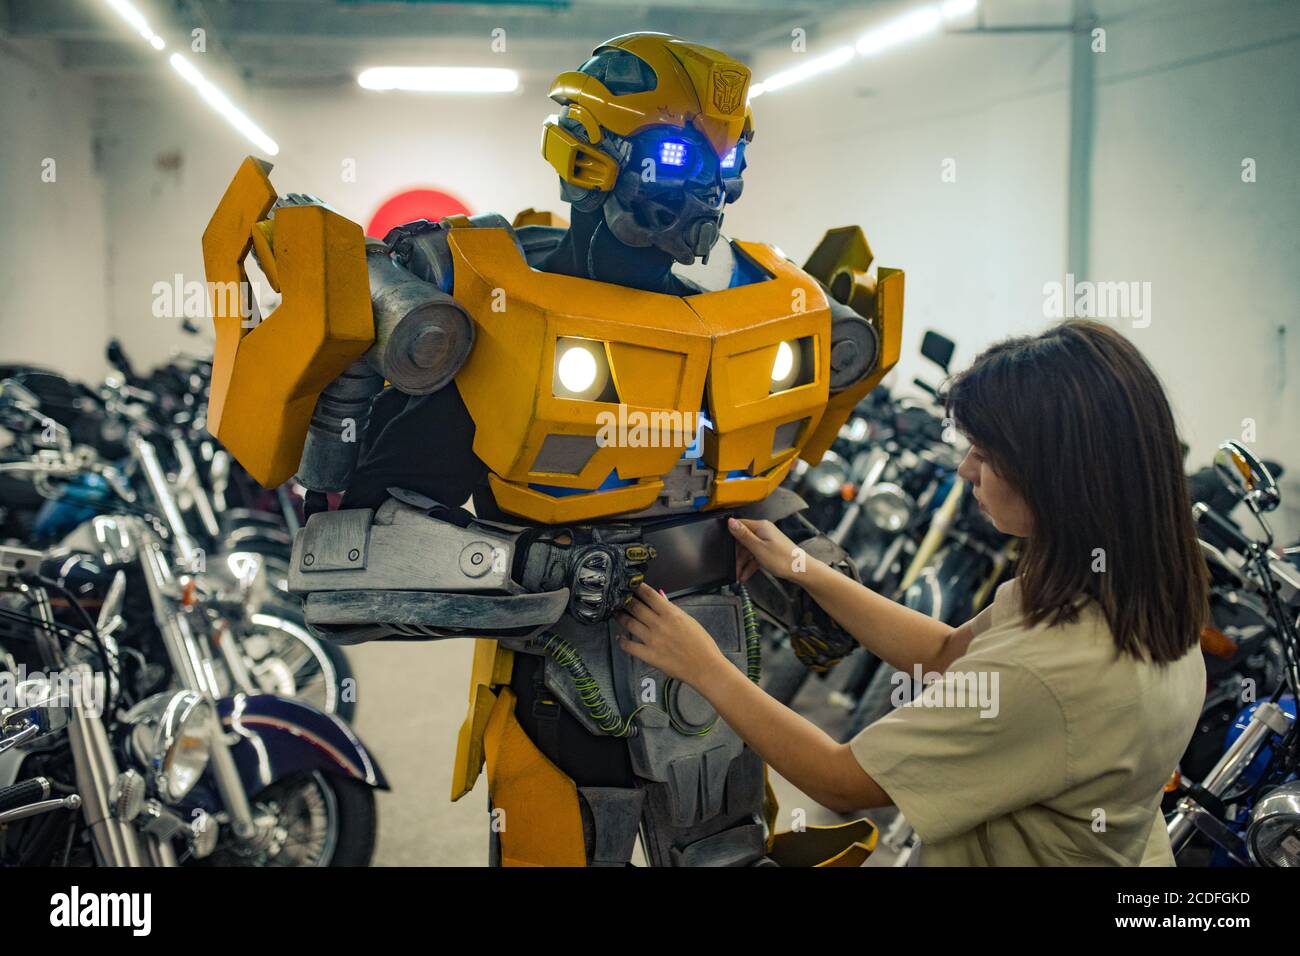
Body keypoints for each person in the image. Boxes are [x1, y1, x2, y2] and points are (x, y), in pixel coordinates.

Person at [614, 319, 1209, 866]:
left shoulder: (1052, 674)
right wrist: (804, 567)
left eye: (985, 453)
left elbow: (840, 779)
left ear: (1057, 474)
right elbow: (950, 654)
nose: (967, 471)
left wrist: (703, 667)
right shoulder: (1134, 598)